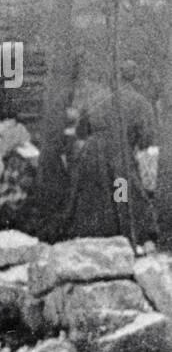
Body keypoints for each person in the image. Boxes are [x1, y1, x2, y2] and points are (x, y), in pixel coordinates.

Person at [67, 59, 157, 245]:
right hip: (119, 158)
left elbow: (81, 131)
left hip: (91, 155)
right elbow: (146, 141)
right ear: (135, 78)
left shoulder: (96, 98)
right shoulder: (141, 104)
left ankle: (91, 238)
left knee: (91, 197)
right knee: (121, 194)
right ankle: (123, 236)